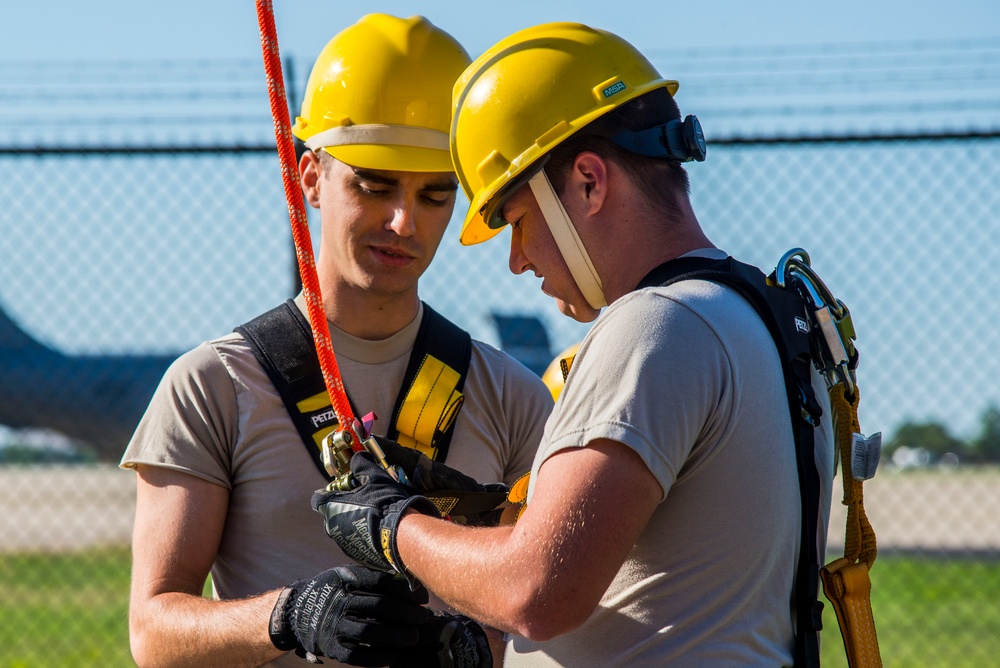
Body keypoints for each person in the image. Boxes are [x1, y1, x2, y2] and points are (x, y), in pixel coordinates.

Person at [313, 21, 837, 666]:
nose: (517, 259)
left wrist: (391, 525)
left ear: (589, 182)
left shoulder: (656, 327)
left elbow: (535, 591)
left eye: (515, 219)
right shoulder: (755, 314)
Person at [121, 14, 552, 668]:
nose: (404, 221)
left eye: (436, 195)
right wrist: (291, 616)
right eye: (375, 186)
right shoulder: (215, 387)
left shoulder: (513, 401)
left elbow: (550, 603)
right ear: (311, 178)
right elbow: (154, 632)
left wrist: (479, 648)